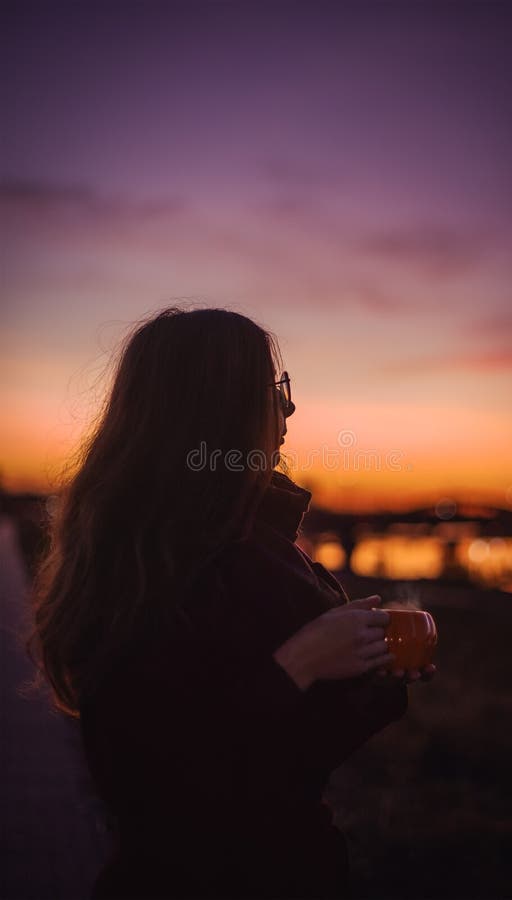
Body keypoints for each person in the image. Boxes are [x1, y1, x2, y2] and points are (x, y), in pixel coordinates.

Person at [25, 306, 436, 900]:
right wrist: (301, 663)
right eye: (273, 390)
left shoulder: (205, 546)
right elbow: (165, 783)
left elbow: (285, 757)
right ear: (217, 410)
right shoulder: (174, 566)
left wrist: (374, 679)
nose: (289, 408)